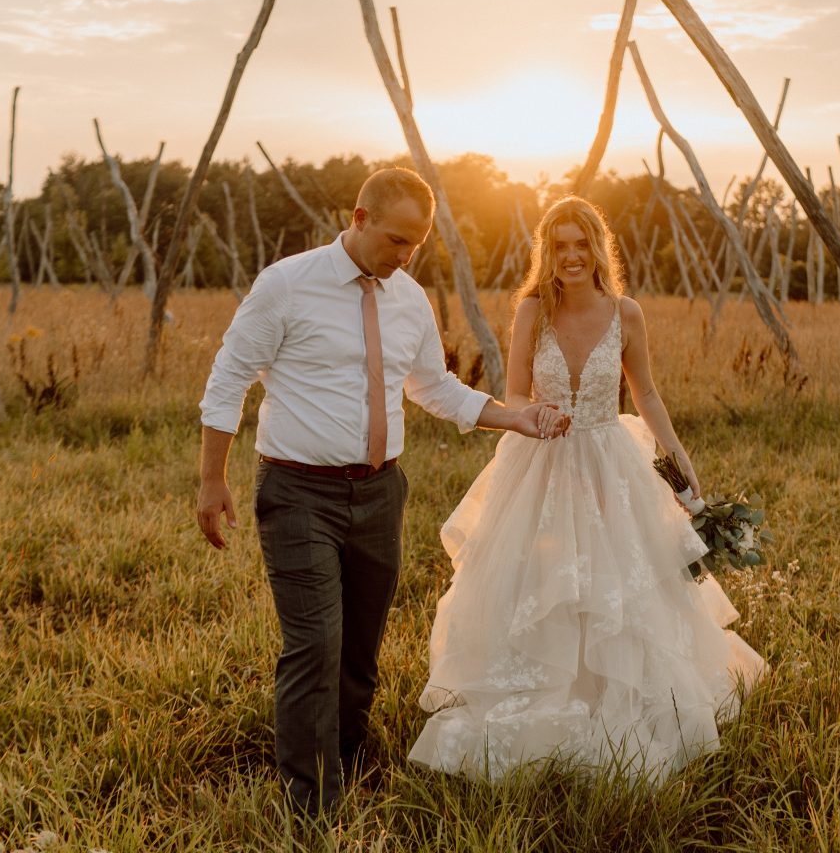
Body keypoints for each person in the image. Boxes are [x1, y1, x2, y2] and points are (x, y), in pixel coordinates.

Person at [195, 168, 569, 817]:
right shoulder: (287, 285)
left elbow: (435, 389)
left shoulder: (408, 300)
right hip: (297, 491)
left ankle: (347, 758)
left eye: (417, 245)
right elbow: (229, 378)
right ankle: (311, 806)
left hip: (379, 493)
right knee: (316, 645)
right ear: (360, 218)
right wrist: (210, 479)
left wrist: (518, 416)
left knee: (361, 648)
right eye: (397, 240)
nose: (406, 255)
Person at [408, 195, 765, 781]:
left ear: (598, 249)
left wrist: (679, 465)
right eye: (560, 246)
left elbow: (645, 395)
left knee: (614, 587)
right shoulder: (531, 312)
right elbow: (515, 393)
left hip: (610, 463)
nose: (571, 256)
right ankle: (537, 696)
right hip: (539, 462)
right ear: (547, 254)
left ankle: (617, 699)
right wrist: (534, 414)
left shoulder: (627, 314)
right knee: (540, 585)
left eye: (581, 244)